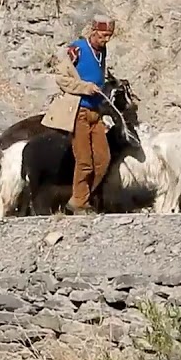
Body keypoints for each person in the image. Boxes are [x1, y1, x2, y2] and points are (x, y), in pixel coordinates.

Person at [41, 15, 116, 215]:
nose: (106, 39)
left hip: (95, 113)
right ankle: (80, 204)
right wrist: (84, 87)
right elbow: (61, 78)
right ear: (93, 31)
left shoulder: (103, 52)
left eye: (109, 36)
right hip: (79, 111)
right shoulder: (77, 49)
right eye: (103, 35)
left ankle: (78, 198)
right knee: (84, 161)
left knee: (103, 160)